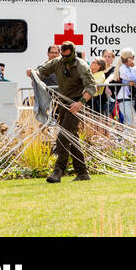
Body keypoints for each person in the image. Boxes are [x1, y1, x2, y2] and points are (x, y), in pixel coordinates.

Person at [28, 41, 95, 183]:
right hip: (63, 104)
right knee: (72, 137)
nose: (64, 59)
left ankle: (58, 171)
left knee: (63, 137)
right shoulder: (57, 62)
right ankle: (82, 172)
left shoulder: (81, 66)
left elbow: (91, 87)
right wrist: (33, 73)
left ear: (73, 54)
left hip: (76, 104)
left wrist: (80, 103)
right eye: (62, 56)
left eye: (67, 57)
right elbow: (42, 71)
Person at [116, 48, 136, 129]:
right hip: (124, 98)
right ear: (129, 58)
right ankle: (126, 141)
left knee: (129, 123)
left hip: (129, 97)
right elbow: (134, 78)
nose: (134, 58)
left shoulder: (129, 68)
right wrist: (134, 67)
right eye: (133, 56)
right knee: (133, 123)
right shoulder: (123, 68)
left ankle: (126, 141)